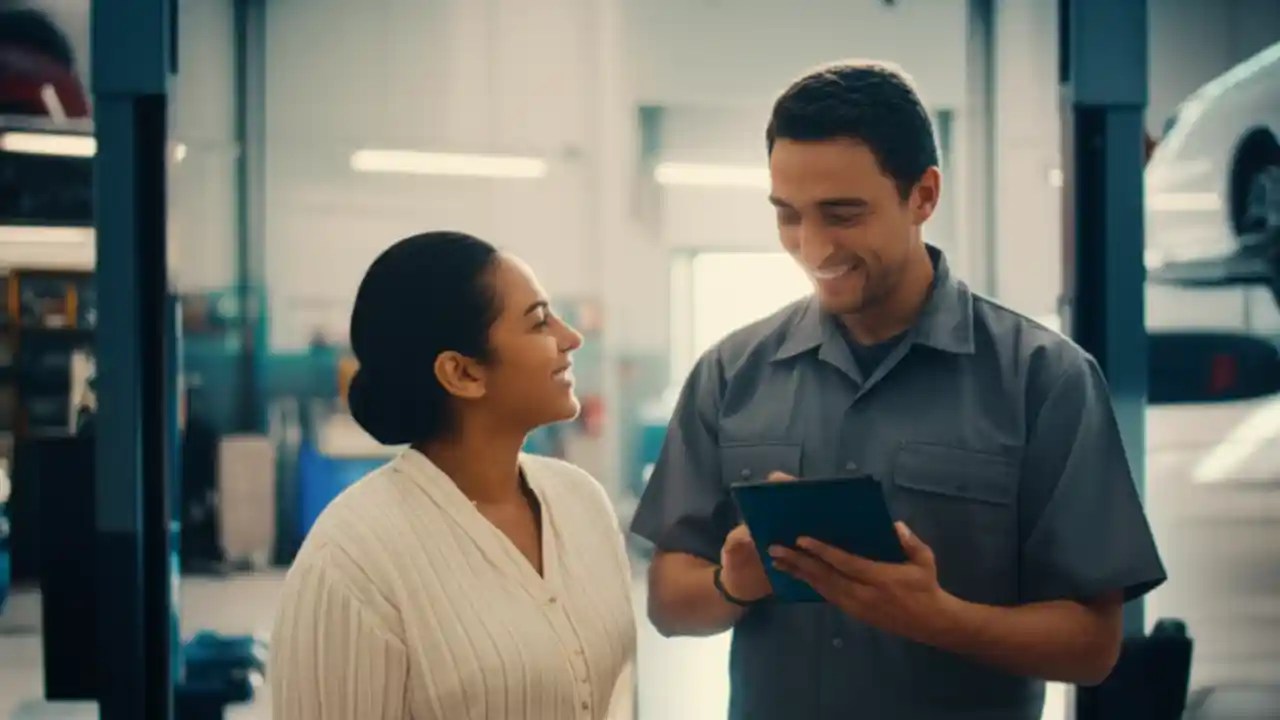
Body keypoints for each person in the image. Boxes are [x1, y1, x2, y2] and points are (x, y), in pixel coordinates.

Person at [631, 61, 1167, 719]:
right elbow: (667, 603)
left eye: (843, 214)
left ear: (923, 196)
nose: (812, 247)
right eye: (788, 215)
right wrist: (731, 584)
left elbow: (1092, 646)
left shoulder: (1046, 380)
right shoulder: (730, 373)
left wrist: (938, 617)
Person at [271, 231, 636, 720]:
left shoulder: (582, 503)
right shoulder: (353, 559)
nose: (571, 338)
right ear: (462, 373)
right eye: (538, 323)